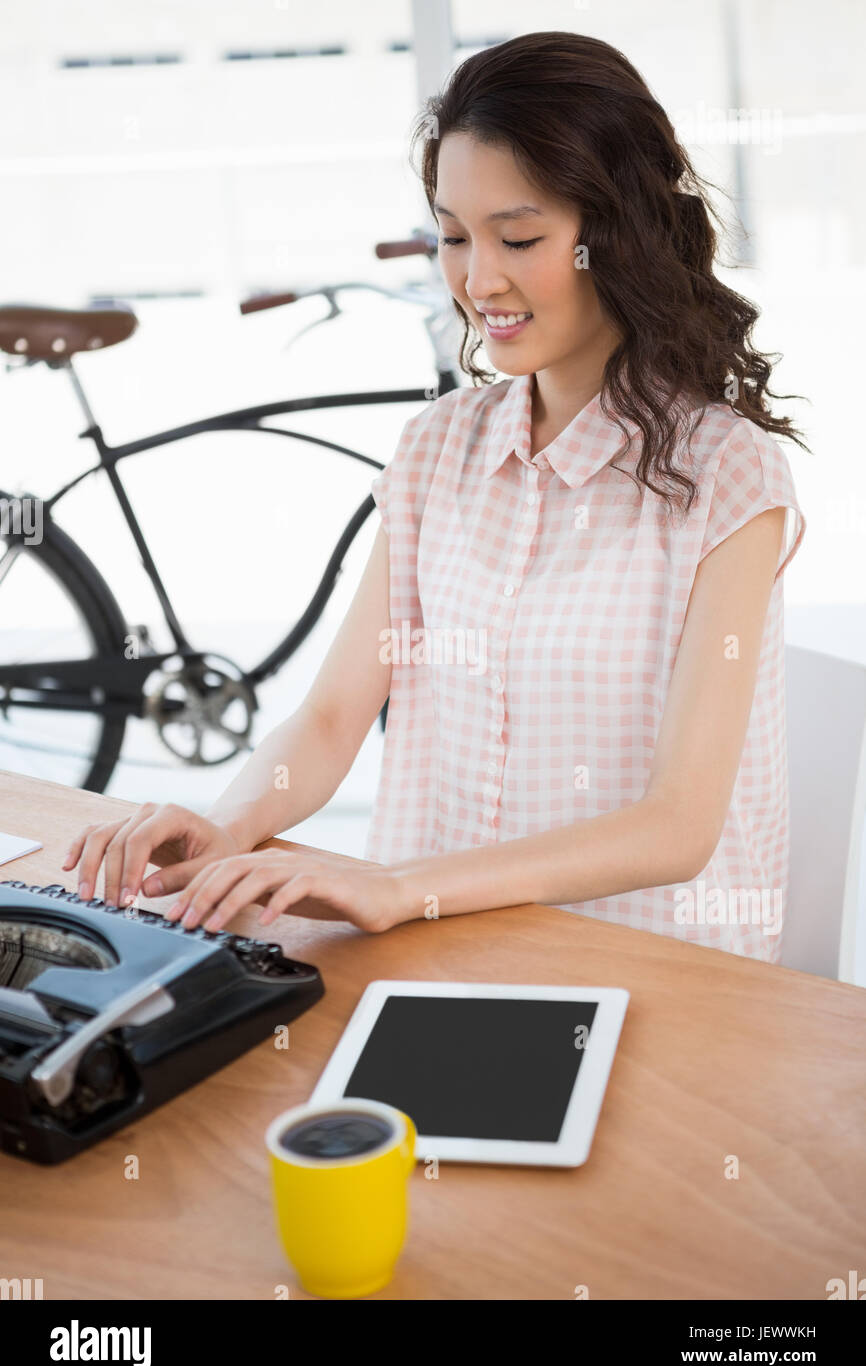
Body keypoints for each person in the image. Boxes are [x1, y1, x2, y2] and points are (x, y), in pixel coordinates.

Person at [64, 31, 807, 961]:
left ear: (617, 238)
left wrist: (397, 887)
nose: (478, 279)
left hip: (643, 969)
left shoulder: (726, 472)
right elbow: (334, 715)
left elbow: (679, 824)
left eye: (520, 237)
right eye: (453, 236)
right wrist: (230, 822)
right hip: (434, 954)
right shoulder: (435, 449)